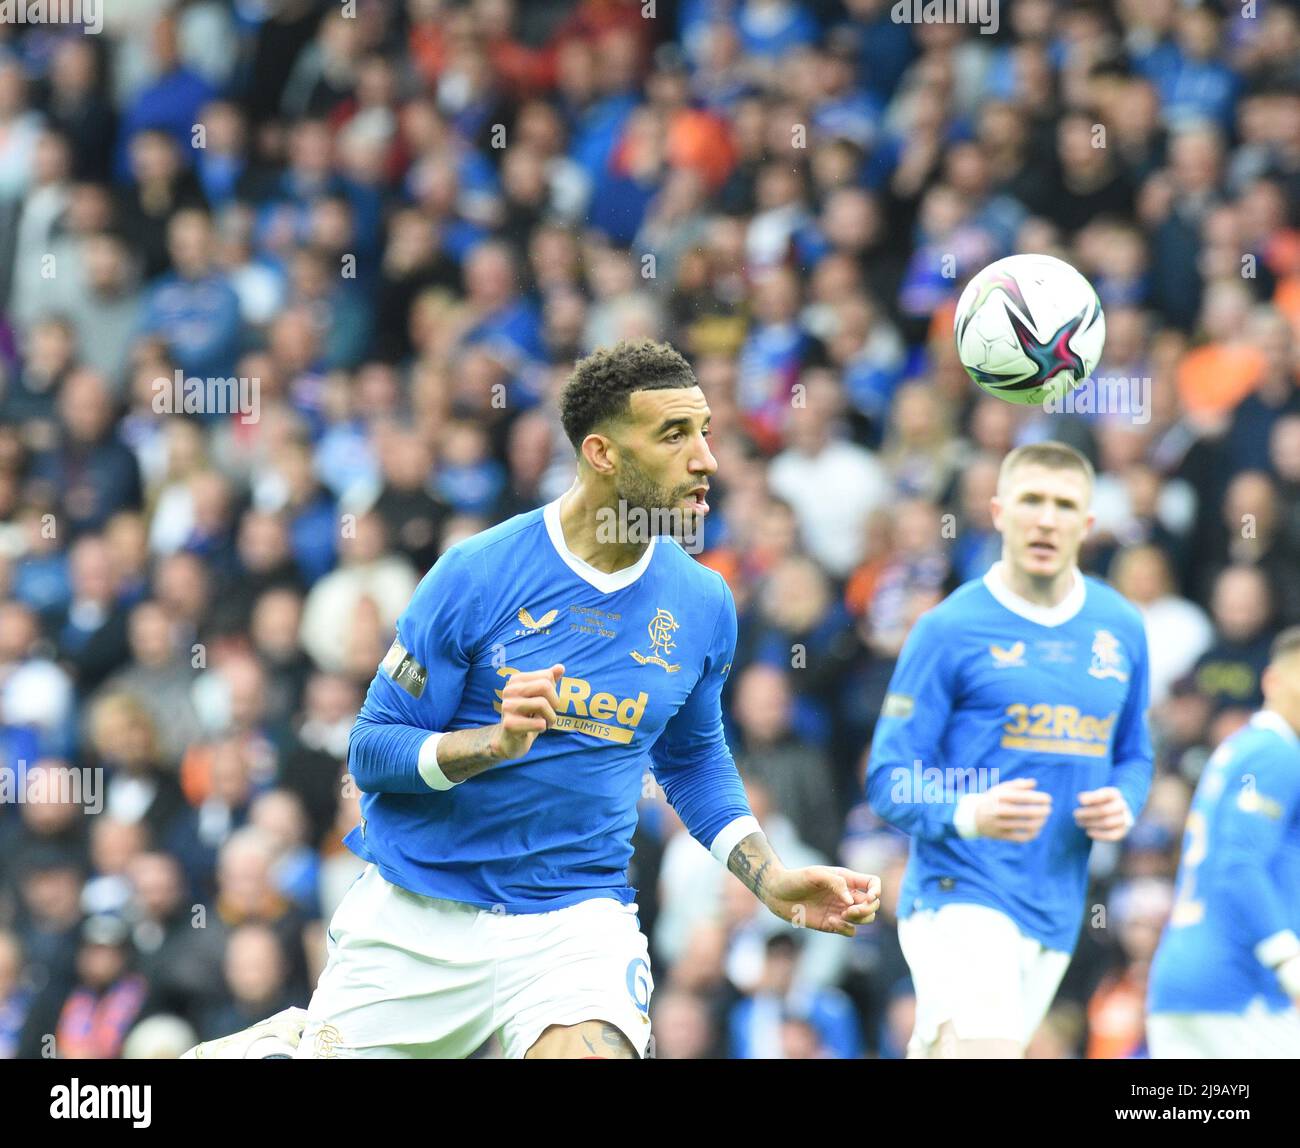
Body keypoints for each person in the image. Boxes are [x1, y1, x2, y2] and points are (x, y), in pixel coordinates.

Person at [186, 338, 880, 1060]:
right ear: (603, 453)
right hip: (422, 913)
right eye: (675, 435)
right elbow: (371, 749)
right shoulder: (478, 574)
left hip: (573, 920)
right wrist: (488, 744)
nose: (705, 457)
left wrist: (767, 878)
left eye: (704, 431)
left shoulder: (703, 604)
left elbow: (694, 757)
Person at [866, 441, 1153, 1058]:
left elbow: (1135, 753)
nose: (1045, 519)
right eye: (1030, 501)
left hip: (1055, 904)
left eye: (1063, 504)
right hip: (961, 890)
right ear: (998, 511)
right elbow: (888, 779)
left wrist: (1124, 803)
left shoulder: (1121, 627)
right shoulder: (948, 628)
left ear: (1089, 523)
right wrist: (970, 812)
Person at [1146, 627, 1300, 1057]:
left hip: (1180, 982)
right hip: (1244, 988)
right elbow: (1239, 865)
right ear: (1273, 681)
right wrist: (1287, 957)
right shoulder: (1278, 754)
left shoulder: (1239, 748)